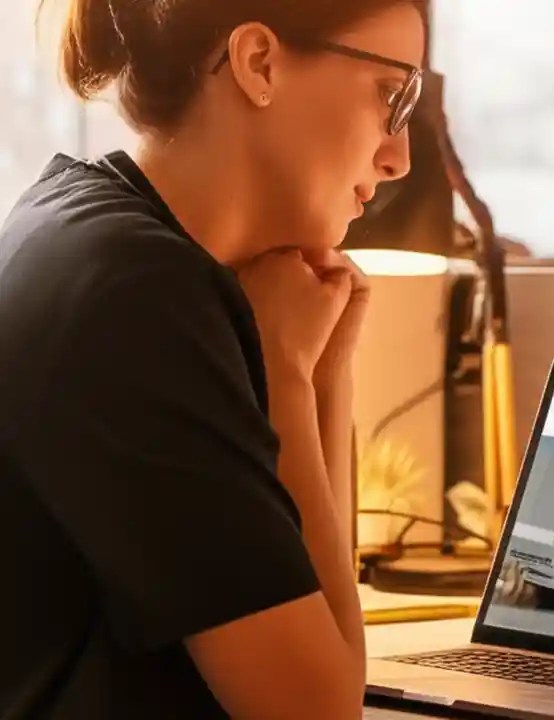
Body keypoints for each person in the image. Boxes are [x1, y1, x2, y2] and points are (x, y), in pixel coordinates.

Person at [0, 0, 426, 717]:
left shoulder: (78, 225)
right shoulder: (137, 294)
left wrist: (325, 373)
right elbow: (317, 708)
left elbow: (320, 630)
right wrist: (289, 376)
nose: (399, 155)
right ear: (259, 62)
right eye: (392, 94)